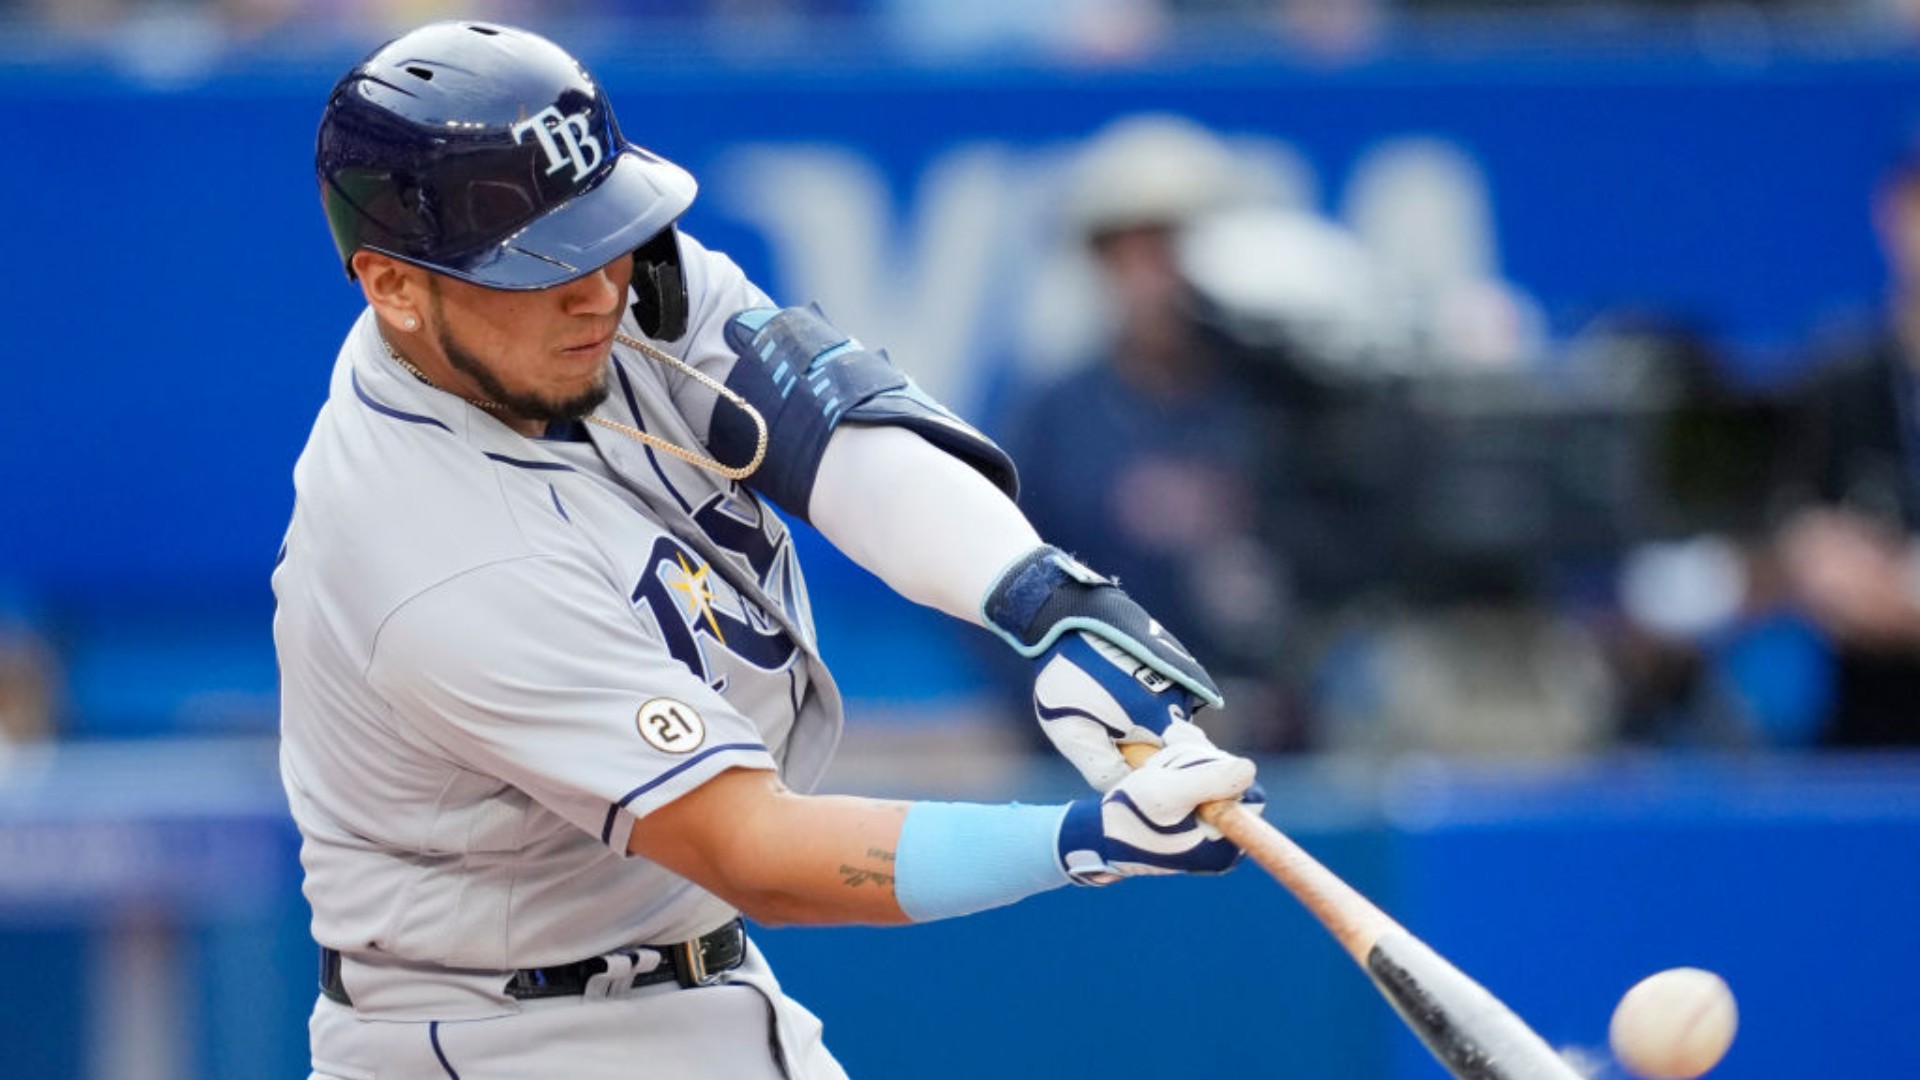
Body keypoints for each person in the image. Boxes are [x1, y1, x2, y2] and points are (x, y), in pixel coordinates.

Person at [277, 21, 1260, 1080]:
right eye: (542, 264)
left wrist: (1036, 597)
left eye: (603, 235)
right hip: (501, 1036)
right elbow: (752, 851)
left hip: (697, 987)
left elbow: (832, 435)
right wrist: (1081, 840)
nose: (599, 290)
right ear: (392, 287)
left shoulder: (592, 294)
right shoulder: (432, 552)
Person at [996, 114, 1301, 752]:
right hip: (1110, 754)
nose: (1155, 274)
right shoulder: (1054, 418)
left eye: (1172, 245)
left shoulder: (1283, 405)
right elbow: (994, 591)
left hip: (1288, 752)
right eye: (1129, 250)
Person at [1771, 148, 1920, 748]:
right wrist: (1810, 555)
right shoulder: (1837, 375)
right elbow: (1791, 541)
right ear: (1895, 213)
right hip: (1870, 733)